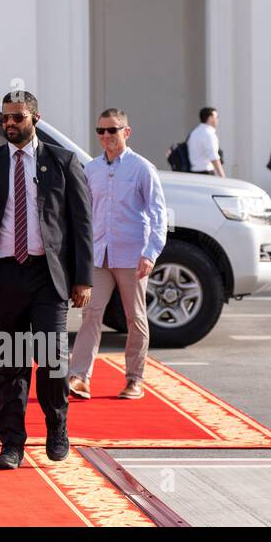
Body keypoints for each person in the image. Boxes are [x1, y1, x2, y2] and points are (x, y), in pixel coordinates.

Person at [0, 91, 92, 470]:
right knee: (10, 364)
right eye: (4, 119)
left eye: (17, 117)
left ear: (35, 117)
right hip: (3, 276)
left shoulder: (62, 161)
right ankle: (11, 444)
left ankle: (57, 427)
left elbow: (81, 223)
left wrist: (83, 278)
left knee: (50, 358)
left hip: (48, 277)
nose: (9, 124)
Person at [68, 109, 168, 401]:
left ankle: (135, 380)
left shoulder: (142, 168)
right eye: (101, 131)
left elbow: (159, 215)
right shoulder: (91, 169)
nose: (106, 136)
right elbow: (82, 213)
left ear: (127, 131)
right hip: (99, 255)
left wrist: (150, 253)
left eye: (112, 130)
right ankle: (79, 377)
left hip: (132, 256)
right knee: (90, 314)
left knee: (135, 318)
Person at [187, 107, 224, 177]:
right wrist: (222, 176)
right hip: (205, 173)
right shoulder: (208, 134)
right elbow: (214, 157)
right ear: (210, 118)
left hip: (194, 172)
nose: (218, 120)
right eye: (216, 117)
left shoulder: (195, 132)